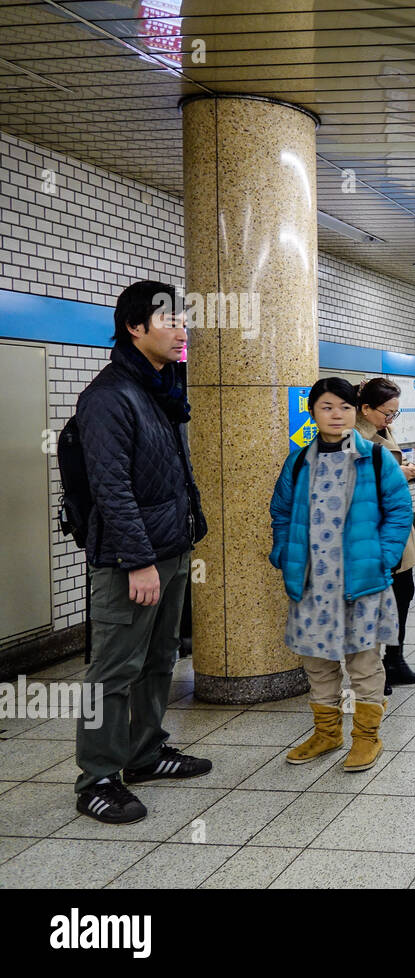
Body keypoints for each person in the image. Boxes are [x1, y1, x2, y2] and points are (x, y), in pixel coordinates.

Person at [73, 281, 211, 825]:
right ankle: (98, 777)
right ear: (136, 327)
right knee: (113, 670)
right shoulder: (109, 397)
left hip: (171, 547)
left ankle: (146, 753)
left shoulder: (161, 388)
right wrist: (138, 561)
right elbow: (112, 489)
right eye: (171, 321)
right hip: (131, 561)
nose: (182, 330)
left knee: (159, 660)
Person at [270, 377, 413, 773]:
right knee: (317, 662)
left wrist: (382, 557)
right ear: (313, 412)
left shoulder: (376, 457)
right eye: (327, 407)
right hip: (312, 583)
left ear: (356, 412)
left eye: (345, 407)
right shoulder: (298, 461)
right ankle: (326, 733)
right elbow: (281, 511)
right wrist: (284, 552)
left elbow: (400, 512)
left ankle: (367, 739)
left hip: (361, 581)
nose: (337, 415)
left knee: (364, 663)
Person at [356, 377, 415, 695]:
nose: (391, 419)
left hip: (396, 525)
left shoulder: (383, 429)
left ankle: (395, 660)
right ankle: (372, 671)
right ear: (366, 408)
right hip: (372, 529)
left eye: (395, 413)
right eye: (387, 412)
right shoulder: (353, 435)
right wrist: (399, 473)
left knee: (404, 591)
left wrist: (404, 470)